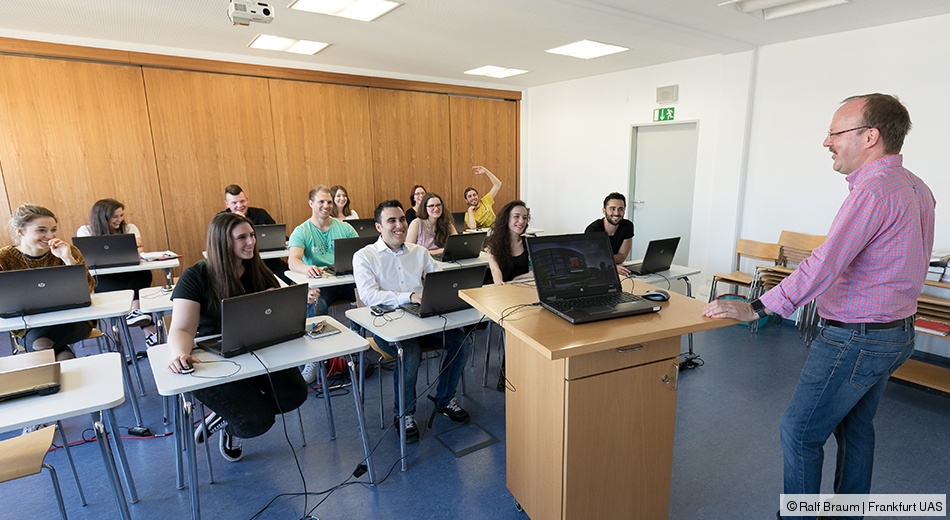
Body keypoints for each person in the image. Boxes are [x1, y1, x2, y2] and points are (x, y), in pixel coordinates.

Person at [702, 93, 934, 518]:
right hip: (896, 333)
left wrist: (757, 308)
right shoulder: (917, 186)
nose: (826, 142)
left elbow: (825, 264)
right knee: (855, 427)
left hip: (856, 338)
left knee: (800, 431)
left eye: (835, 132)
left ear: (870, 137)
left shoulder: (874, 192)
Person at [166, 213, 308, 462]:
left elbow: (277, 311)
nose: (251, 242)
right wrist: (179, 353)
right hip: (213, 358)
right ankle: (233, 423)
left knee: (294, 395)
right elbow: (182, 329)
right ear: (222, 242)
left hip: (253, 347)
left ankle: (231, 412)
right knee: (256, 421)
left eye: (252, 235)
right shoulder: (195, 276)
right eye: (242, 237)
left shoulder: (257, 270)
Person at [353, 200, 471, 442]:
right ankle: (404, 413)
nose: (399, 225)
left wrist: (453, 289)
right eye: (391, 221)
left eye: (402, 219)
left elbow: (439, 278)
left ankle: (444, 399)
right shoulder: (364, 256)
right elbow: (368, 295)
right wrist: (408, 296)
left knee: (461, 343)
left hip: (422, 317)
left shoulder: (419, 252)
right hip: (387, 325)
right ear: (378, 227)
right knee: (410, 353)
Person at [1, 204, 95, 361]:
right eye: (41, 230)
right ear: (20, 231)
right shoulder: (3, 258)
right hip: (28, 325)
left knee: (41, 344)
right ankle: (66, 363)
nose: (50, 235)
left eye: (53, 229)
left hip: (73, 319)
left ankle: (55, 374)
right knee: (46, 345)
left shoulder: (68, 251)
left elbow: (89, 288)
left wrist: (67, 259)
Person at [288, 185, 358, 383]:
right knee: (317, 303)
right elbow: (293, 261)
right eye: (321, 202)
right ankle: (314, 357)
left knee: (368, 295)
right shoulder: (302, 231)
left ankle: (361, 343)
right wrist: (306, 268)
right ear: (311, 203)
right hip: (323, 285)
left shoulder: (344, 227)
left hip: (346, 280)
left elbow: (362, 252)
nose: (326, 205)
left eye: (329, 202)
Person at [77, 198, 158, 346]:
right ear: (103, 217)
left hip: (130, 274)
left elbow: (140, 252)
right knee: (135, 290)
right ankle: (147, 329)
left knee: (143, 273)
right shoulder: (86, 231)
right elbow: (87, 257)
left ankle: (136, 311)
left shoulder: (130, 228)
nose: (119, 219)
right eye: (115, 216)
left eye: (121, 215)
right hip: (104, 279)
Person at [218, 184, 293, 285]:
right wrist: (238, 220)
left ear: (247, 200)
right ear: (227, 204)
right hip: (240, 264)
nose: (239, 206)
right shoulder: (221, 220)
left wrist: (285, 241)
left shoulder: (260, 214)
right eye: (234, 203)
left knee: (289, 277)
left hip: (269, 261)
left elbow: (278, 235)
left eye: (242, 201)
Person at [584, 192, 633, 277]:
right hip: (598, 273)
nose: (617, 213)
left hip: (617, 267)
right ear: (604, 211)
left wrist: (606, 261)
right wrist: (611, 266)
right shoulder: (593, 230)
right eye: (612, 209)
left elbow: (622, 257)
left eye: (620, 209)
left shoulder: (627, 226)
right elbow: (592, 260)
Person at [484, 200, 533, 286]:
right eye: (516, 216)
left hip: (523, 286)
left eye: (524, 217)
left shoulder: (529, 241)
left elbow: (539, 271)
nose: (521, 221)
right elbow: (495, 269)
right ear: (507, 218)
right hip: (503, 287)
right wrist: (500, 284)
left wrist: (517, 279)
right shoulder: (494, 243)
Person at [463, 166, 502, 230]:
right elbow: (473, 227)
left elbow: (497, 184)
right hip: (484, 235)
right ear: (466, 200)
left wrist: (486, 171)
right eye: (469, 196)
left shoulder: (485, 200)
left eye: (474, 195)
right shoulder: (468, 215)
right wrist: (470, 210)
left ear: (477, 196)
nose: (473, 198)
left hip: (496, 230)